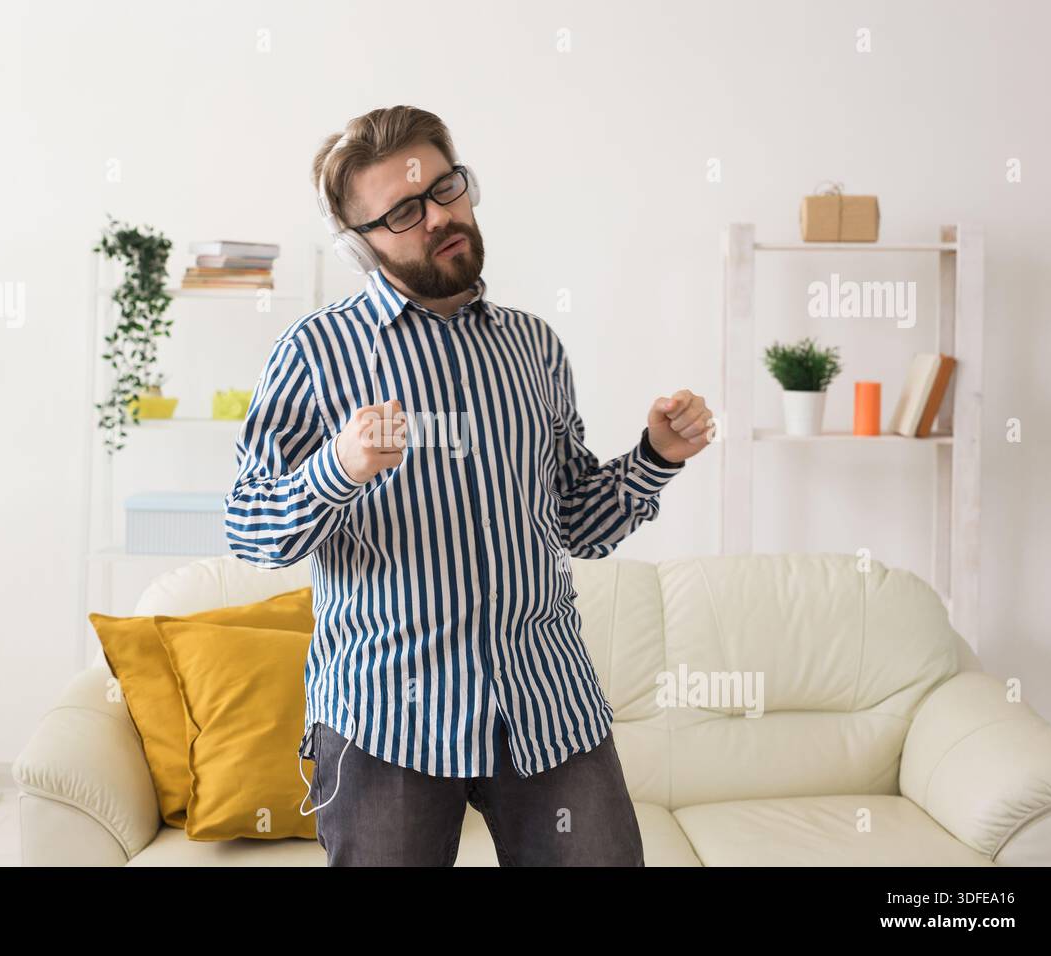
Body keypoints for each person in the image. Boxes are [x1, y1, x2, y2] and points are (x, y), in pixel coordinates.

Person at [225, 105, 713, 865]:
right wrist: (340, 469)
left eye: (445, 189)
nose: (437, 219)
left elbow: (575, 522)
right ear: (362, 246)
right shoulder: (314, 353)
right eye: (402, 212)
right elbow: (250, 530)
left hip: (546, 704)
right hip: (387, 722)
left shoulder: (533, 349)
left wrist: (655, 455)